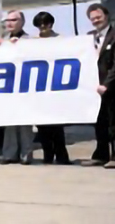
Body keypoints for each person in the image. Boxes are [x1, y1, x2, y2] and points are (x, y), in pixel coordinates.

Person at [85, 3, 115, 169]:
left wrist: (107, 84)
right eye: (93, 18)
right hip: (94, 87)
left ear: (107, 16)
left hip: (112, 87)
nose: (96, 20)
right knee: (99, 123)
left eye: (99, 17)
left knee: (114, 124)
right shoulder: (89, 37)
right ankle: (100, 154)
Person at [0, 10, 36, 165]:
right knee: (10, 121)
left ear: (22, 22)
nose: (10, 23)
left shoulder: (29, 40)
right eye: (8, 20)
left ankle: (26, 155)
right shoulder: (1, 41)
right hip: (8, 86)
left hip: (25, 85)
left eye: (14, 20)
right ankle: (9, 154)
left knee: (25, 123)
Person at [31, 11, 71, 165]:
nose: (43, 27)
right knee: (42, 125)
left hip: (56, 87)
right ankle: (47, 154)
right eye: (40, 25)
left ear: (51, 24)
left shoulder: (61, 40)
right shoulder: (32, 41)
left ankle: (62, 155)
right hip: (39, 87)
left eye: (45, 24)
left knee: (57, 125)